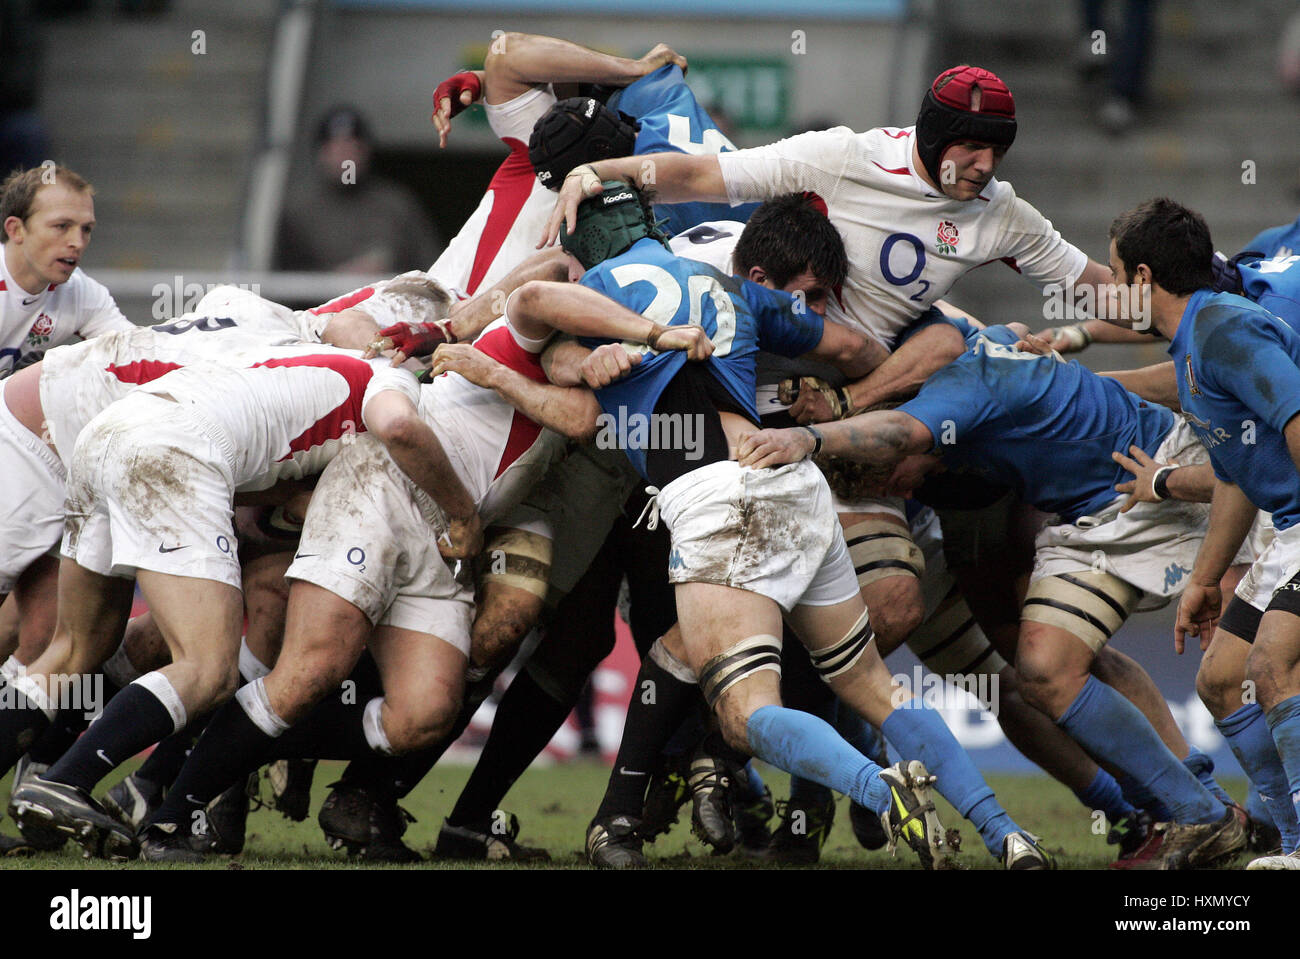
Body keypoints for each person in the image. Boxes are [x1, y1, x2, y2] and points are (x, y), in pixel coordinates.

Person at [546, 182, 1052, 869]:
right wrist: (871, 397)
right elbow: (853, 343)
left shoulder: (604, 286)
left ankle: (877, 788)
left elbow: (531, 310)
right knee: (873, 687)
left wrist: (521, 344)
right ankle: (1007, 835)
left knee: (745, 713)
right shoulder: (740, 290)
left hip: (718, 493)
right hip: (797, 481)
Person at [737, 313, 1248, 870]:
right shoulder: (967, 381)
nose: (884, 485)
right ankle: (1185, 812)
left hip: (1146, 482)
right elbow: (992, 335)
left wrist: (806, 436)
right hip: (1083, 514)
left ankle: (1239, 815)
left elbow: (906, 424)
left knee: (1237, 665)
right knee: (1040, 668)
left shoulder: (951, 392)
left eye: (880, 473)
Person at [1096, 197, 1300, 871]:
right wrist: (1206, 579)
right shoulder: (1192, 346)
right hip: (1286, 529)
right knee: (1220, 679)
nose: (1111, 283)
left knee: (1272, 664)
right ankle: (1280, 836)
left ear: (1143, 278)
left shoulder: (1225, 331)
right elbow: (1237, 477)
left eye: (1116, 271)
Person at [275, 106, 441, 275]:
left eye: (353, 149)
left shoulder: (396, 205)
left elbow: (430, 265)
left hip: (388, 298)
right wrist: (335, 277)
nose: (345, 159)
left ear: (366, 152)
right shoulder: (298, 209)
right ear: (321, 154)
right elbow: (280, 275)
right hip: (320, 300)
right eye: (337, 150)